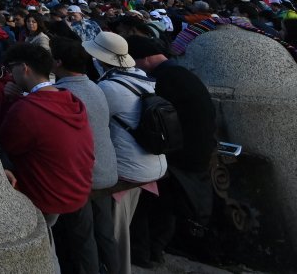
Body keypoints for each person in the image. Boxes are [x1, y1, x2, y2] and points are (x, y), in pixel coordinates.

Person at [0, 42, 95, 271]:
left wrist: (12, 103)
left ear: (24, 68)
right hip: (79, 187)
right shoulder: (69, 99)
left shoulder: (27, 110)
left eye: (11, 69)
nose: (10, 75)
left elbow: (6, 145)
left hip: (45, 197)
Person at [126, 36, 217, 268]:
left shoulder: (163, 80)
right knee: (165, 207)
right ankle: (155, 251)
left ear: (145, 59)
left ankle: (146, 254)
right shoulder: (180, 73)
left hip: (179, 156)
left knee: (154, 206)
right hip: (195, 151)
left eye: (133, 61)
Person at [84, 31, 167, 274]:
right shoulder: (141, 77)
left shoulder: (109, 87)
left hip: (127, 168)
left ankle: (118, 268)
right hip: (151, 161)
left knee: (115, 230)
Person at [52, 37, 119, 274]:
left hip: (83, 175)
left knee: (83, 238)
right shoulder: (96, 87)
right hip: (106, 169)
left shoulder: (63, 93)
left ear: (57, 62)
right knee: (105, 233)